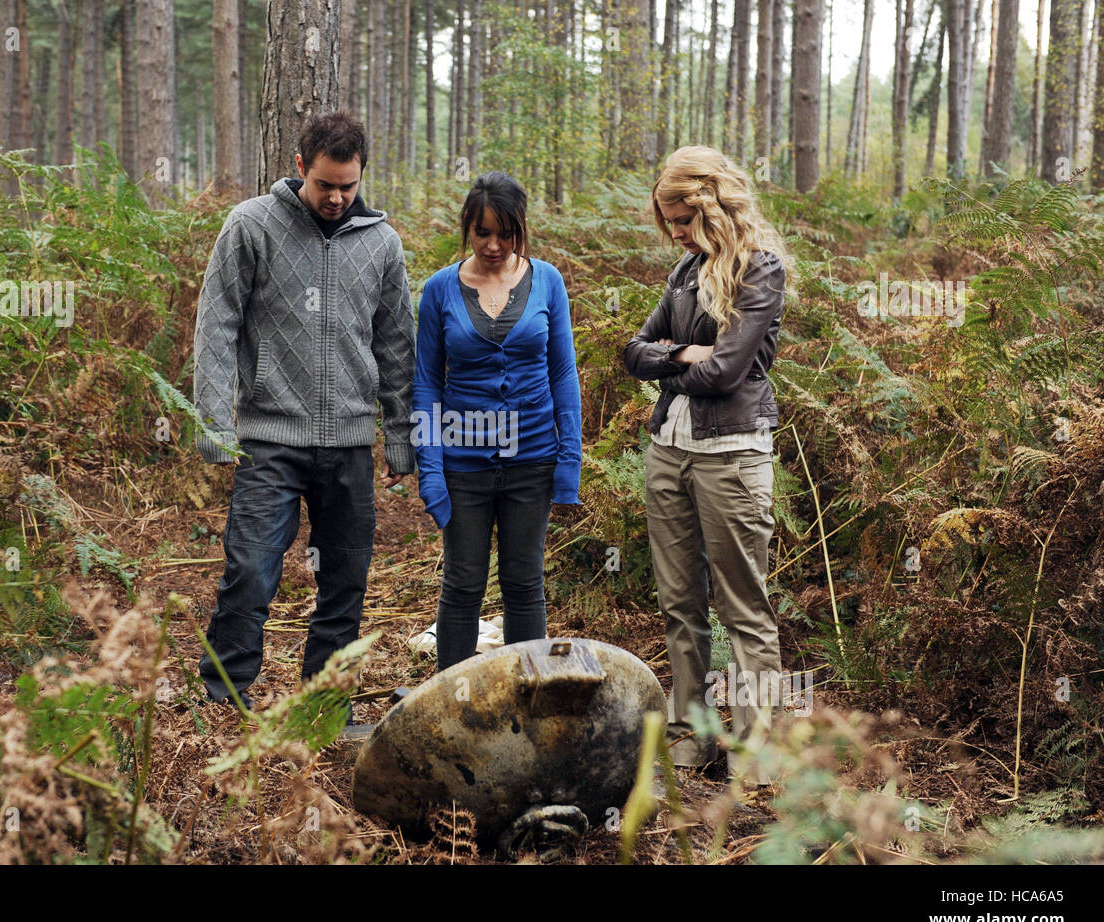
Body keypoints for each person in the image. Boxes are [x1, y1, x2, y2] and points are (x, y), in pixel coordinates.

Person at [192, 111, 415, 707]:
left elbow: (396, 344)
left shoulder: (383, 244)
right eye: (325, 185)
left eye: (349, 185)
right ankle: (222, 701)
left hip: (348, 443)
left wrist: (399, 434)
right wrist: (213, 423)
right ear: (299, 169)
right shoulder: (251, 226)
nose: (338, 197)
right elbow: (216, 326)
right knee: (251, 570)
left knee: (344, 582)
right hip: (269, 438)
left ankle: (323, 702)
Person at [622, 145, 791, 786]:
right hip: (669, 451)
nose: (675, 234)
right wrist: (685, 354)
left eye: (683, 221)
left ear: (712, 206)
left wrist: (688, 357)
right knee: (679, 603)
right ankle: (692, 736)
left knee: (743, 609)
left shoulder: (760, 271)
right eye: (667, 222)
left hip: (733, 456)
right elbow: (635, 355)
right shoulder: (684, 273)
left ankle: (754, 754)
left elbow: (725, 373)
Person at [413, 172, 582, 671]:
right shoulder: (440, 289)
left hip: (532, 460)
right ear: (467, 228)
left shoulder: (547, 280)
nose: (493, 244)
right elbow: (426, 384)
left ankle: (529, 700)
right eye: (482, 232)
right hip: (463, 464)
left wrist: (568, 460)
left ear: (520, 229)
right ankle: (454, 704)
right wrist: (431, 469)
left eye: (504, 233)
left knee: (524, 583)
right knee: (463, 583)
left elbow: (563, 372)